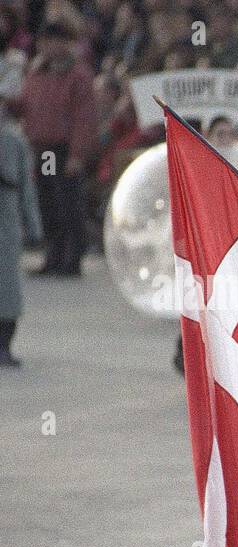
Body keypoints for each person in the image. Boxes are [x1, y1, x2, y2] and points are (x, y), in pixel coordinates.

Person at [16, 21, 95, 278]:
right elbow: (26, 105)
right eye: (46, 42)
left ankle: (71, 258)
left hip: (63, 148)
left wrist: (77, 154)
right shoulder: (36, 73)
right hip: (42, 148)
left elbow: (84, 117)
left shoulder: (78, 76)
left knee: (68, 203)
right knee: (48, 202)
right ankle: (53, 255)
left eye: (56, 41)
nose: (50, 47)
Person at [0, 100, 41, 368]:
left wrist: (34, 227)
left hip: (7, 222)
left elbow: (26, 188)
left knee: (7, 286)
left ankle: (4, 343)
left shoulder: (14, 143)